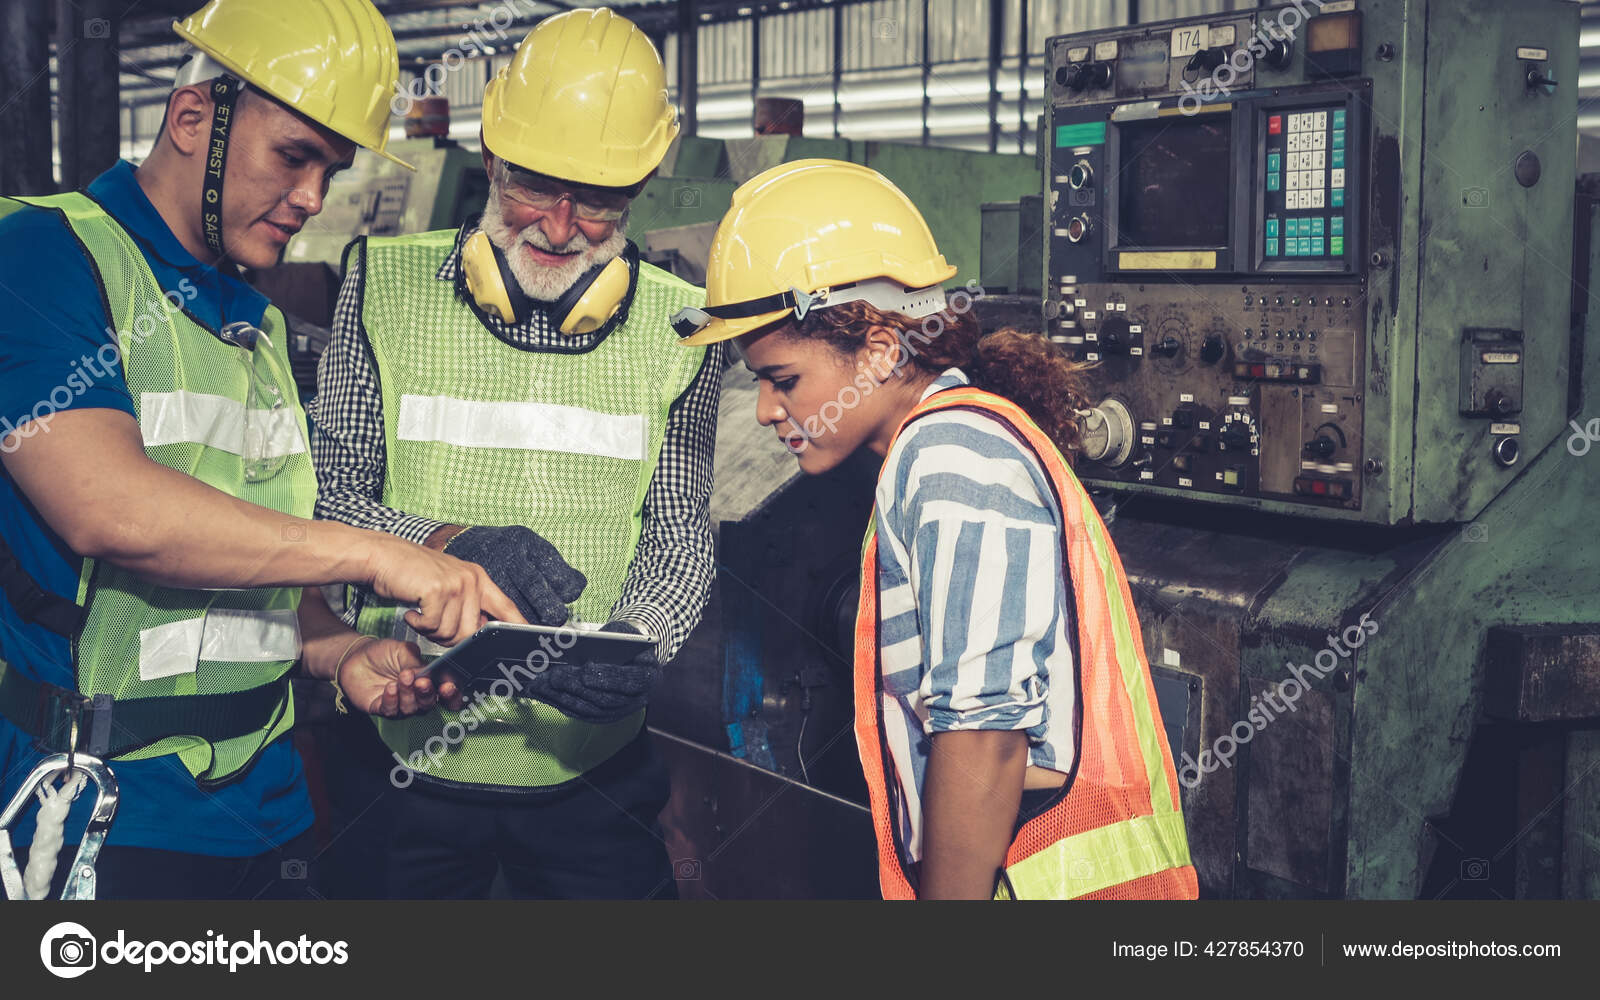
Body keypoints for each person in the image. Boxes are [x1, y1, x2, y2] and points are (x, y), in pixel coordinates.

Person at [0, 0, 523, 900]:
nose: (315, 198)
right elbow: (110, 510)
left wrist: (338, 651)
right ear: (192, 117)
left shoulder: (258, 323)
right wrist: (381, 553)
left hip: (270, 811)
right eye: (293, 155)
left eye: (333, 168)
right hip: (99, 816)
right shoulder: (44, 253)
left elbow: (255, 562)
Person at [675, 159, 1199, 900]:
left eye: (784, 379)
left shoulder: (952, 457)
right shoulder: (931, 452)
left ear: (884, 352)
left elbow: (984, 737)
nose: (765, 409)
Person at [311, 7, 719, 899]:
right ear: (491, 153)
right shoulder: (381, 287)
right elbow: (327, 497)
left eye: (600, 198)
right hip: (401, 750)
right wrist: (446, 544)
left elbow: (681, 525)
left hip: (593, 776)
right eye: (536, 185)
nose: (562, 227)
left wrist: (639, 638)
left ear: (645, 181)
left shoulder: (683, 324)